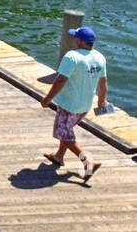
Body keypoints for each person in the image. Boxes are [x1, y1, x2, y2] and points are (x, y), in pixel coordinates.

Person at [41, 27, 107, 182]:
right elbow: (103, 82)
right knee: (67, 130)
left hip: (69, 105)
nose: (73, 39)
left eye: (75, 37)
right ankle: (59, 156)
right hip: (84, 105)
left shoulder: (72, 56)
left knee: (63, 132)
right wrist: (101, 100)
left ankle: (87, 162)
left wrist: (47, 99)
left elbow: (61, 80)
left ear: (80, 41)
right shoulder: (99, 57)